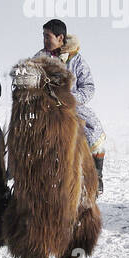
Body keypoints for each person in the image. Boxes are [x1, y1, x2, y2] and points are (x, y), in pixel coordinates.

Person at [33, 19, 106, 193]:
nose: (44, 40)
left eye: (47, 36)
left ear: (60, 38)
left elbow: (88, 87)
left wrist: (69, 98)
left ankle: (97, 176)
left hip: (71, 108)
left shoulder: (77, 60)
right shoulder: (38, 58)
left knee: (93, 133)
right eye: (43, 36)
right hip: (45, 109)